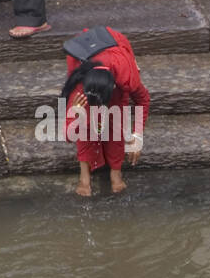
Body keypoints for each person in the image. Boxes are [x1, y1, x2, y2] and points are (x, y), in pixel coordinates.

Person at [62, 27, 150, 196]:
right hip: (84, 49)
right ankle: (84, 176)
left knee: (117, 117)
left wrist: (137, 134)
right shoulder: (78, 88)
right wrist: (76, 115)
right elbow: (67, 135)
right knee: (85, 123)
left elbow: (143, 99)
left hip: (116, 47)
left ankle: (116, 173)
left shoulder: (126, 76)